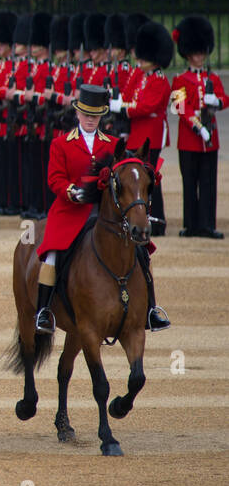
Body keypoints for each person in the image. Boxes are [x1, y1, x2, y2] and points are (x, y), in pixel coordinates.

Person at [33, 83, 169, 333]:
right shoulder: (60, 144)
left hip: (105, 211)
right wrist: (70, 191)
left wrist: (149, 173)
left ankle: (151, 309)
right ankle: (44, 311)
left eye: (95, 116)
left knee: (142, 251)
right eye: (86, 115)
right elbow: (54, 179)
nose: (90, 120)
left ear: (101, 116)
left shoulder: (113, 143)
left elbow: (130, 168)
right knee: (52, 254)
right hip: (71, 209)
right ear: (77, 113)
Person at [111, 20, 173, 236]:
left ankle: (157, 219)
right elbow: (128, 93)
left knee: (150, 177)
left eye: (143, 58)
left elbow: (149, 106)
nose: (138, 61)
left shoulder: (159, 80)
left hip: (151, 135)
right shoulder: (140, 75)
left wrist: (124, 108)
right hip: (136, 133)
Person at [172, 16, 224, 238]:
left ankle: (207, 224)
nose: (199, 57)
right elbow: (180, 108)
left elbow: (224, 98)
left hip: (210, 141)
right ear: (188, 54)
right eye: (195, 53)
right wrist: (197, 127)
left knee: (208, 182)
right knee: (190, 182)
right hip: (189, 140)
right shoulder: (179, 79)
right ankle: (191, 224)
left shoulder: (212, 77)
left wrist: (217, 102)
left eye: (201, 53)